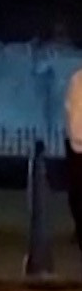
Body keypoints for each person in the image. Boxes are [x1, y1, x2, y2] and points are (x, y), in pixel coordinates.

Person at [67, 66, 82, 262]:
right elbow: (70, 109)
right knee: (77, 197)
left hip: (76, 146)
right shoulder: (77, 79)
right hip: (77, 148)